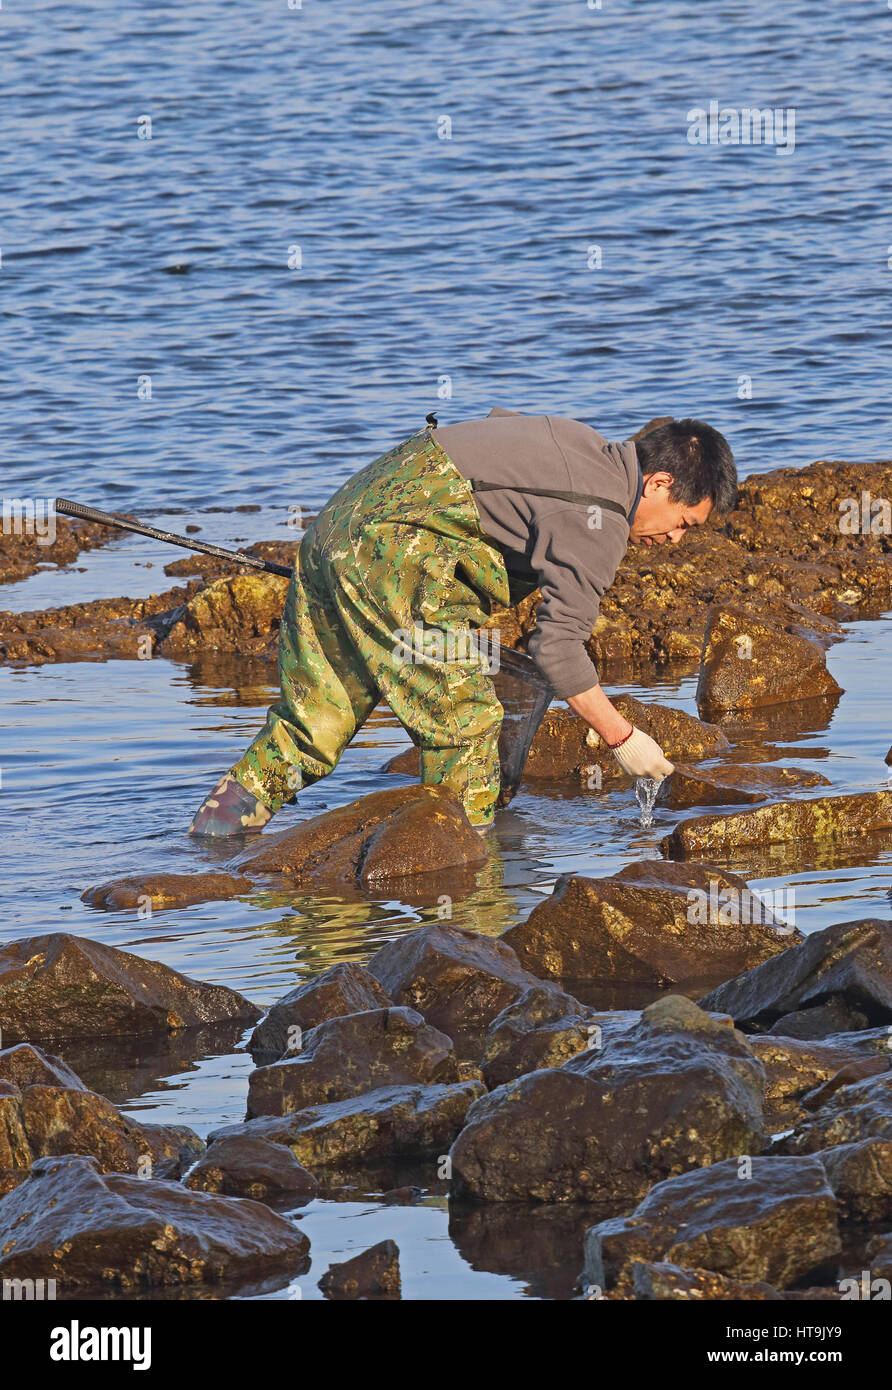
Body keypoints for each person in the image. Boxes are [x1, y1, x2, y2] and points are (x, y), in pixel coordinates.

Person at [189, 408, 737, 836]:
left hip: (335, 531)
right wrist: (623, 739)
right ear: (659, 484)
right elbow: (558, 650)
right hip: (395, 559)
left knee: (311, 728)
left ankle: (209, 845)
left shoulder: (575, 439)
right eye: (683, 524)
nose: (674, 541)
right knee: (467, 727)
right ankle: (466, 912)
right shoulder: (601, 517)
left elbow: (494, 439)